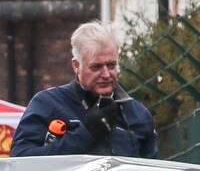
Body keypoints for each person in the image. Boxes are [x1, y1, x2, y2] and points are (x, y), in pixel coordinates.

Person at [9, 21, 157, 157]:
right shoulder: (48, 104)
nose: (106, 74)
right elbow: (20, 159)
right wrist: (85, 134)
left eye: (111, 65)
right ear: (76, 66)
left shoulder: (137, 114)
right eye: (96, 67)